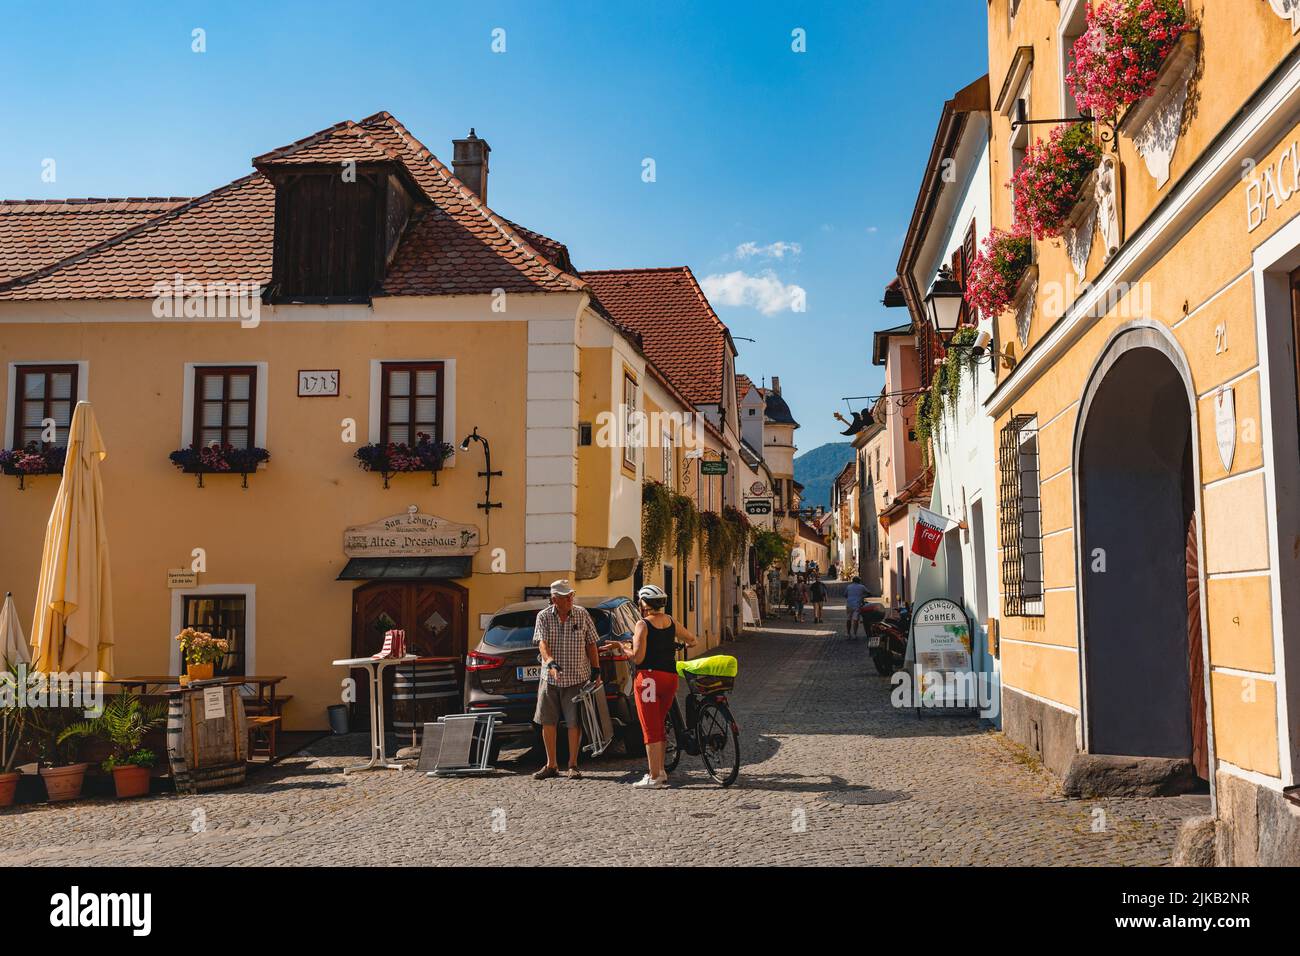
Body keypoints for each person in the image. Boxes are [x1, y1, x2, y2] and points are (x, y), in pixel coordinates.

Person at [612, 584, 697, 788]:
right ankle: (661, 772)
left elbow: (638, 657)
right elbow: (692, 641)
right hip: (670, 678)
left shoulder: (642, 624)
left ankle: (654, 775)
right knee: (660, 724)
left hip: (649, 679)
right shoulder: (671, 621)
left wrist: (623, 647)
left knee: (650, 727)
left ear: (644, 603)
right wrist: (676, 646)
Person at [531, 579, 602, 780]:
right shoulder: (543, 617)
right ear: (554, 599)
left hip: (576, 676)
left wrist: (596, 670)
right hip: (550, 677)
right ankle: (551, 764)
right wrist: (551, 662)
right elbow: (542, 644)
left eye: (571, 595)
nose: (570, 599)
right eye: (565, 596)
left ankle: (573, 764)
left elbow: (591, 644)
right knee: (547, 721)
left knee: (574, 722)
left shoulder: (582, 614)